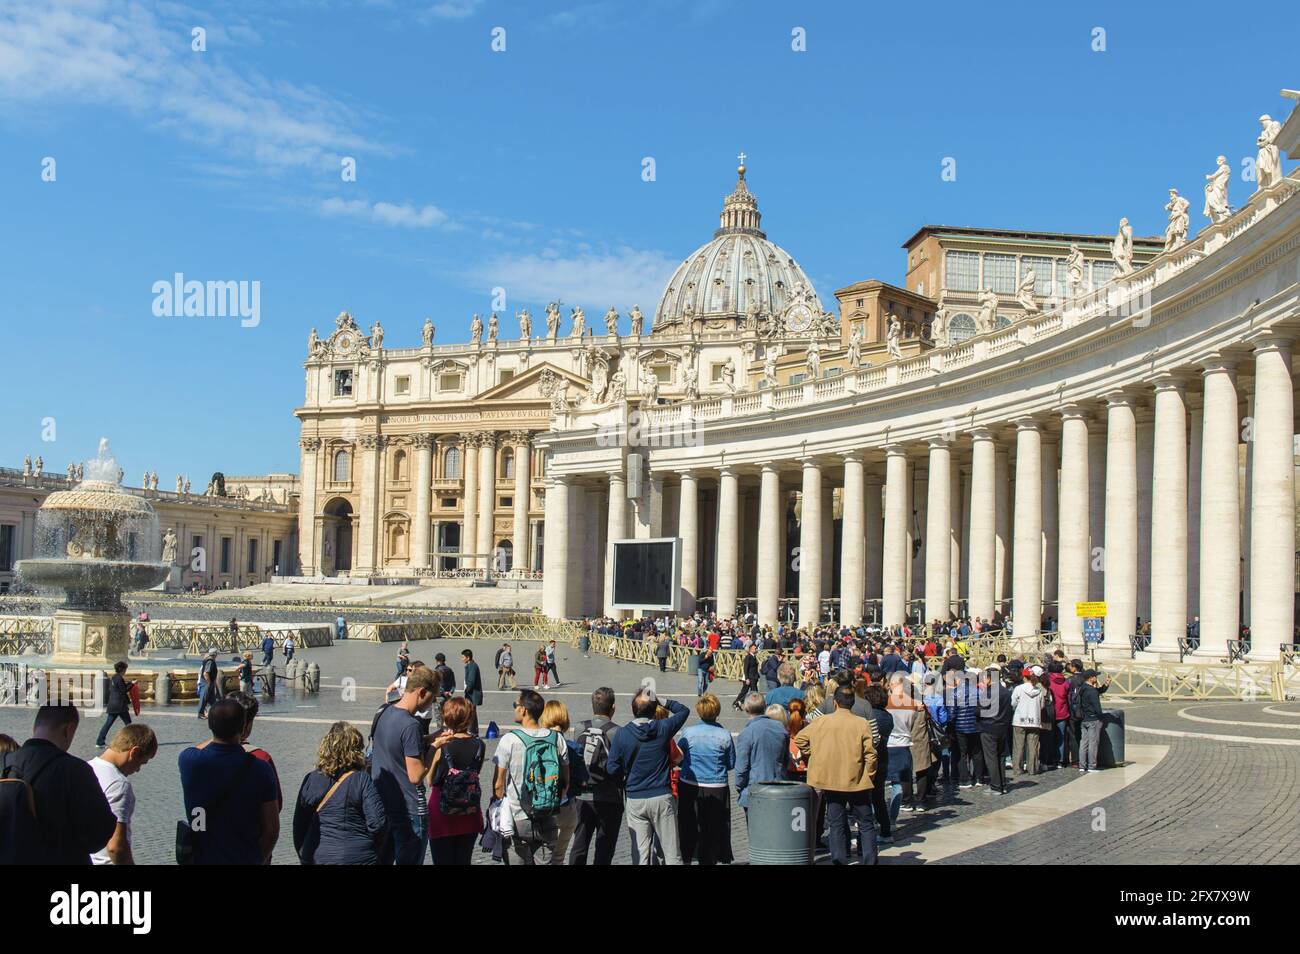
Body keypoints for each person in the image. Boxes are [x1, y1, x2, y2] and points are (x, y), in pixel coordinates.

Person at [1, 705, 116, 865]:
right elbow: (97, 835)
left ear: (35, 726)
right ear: (68, 729)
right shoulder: (75, 770)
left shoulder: (4, 763)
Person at [179, 699, 280, 864]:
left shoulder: (188, 761)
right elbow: (272, 831)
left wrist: (217, 727)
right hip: (243, 856)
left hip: (203, 858)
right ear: (244, 728)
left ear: (210, 727)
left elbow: (199, 747)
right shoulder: (260, 769)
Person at [793, 684, 878, 865]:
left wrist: (814, 754)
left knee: (836, 824)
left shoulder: (821, 721)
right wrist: (869, 774)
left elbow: (800, 739)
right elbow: (871, 754)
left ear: (834, 702)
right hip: (857, 780)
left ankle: (839, 860)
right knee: (866, 824)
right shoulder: (861, 724)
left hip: (830, 780)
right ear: (852, 703)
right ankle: (870, 860)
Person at [606, 688, 690, 865]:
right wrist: (660, 699)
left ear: (633, 710)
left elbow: (612, 767)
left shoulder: (622, 734)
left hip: (635, 798)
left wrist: (625, 780)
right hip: (661, 796)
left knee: (640, 854)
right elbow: (684, 710)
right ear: (654, 710)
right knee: (672, 853)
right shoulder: (663, 728)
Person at [293, 721, 387, 864]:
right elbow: (378, 823)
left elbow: (299, 825)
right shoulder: (361, 779)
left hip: (317, 856)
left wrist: (304, 853)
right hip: (356, 856)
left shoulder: (311, 779)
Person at [370, 665, 437, 864]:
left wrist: (427, 738)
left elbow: (395, 744)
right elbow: (415, 776)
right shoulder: (411, 724)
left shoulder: (384, 711)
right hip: (409, 809)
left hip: (382, 802)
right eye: (432, 697)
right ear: (422, 692)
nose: (432, 702)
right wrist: (434, 747)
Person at [493, 689, 569, 864]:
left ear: (523, 710)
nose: (514, 709)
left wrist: (498, 810)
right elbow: (565, 781)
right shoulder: (556, 738)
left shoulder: (510, 739)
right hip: (548, 816)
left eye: (515, 705)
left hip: (518, 816)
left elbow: (498, 784)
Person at [676, 693, 736, 865]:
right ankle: (710, 859)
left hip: (690, 783)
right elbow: (731, 763)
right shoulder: (724, 735)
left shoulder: (688, 732)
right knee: (714, 828)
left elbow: (679, 757)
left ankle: (687, 858)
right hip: (716, 786)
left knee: (688, 825)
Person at [425, 698, 484, 865]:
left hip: (442, 812)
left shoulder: (443, 745)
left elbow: (431, 780)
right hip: (469, 810)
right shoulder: (480, 745)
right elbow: (475, 773)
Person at [570, 687, 622, 865]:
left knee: (579, 844)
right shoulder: (617, 732)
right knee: (605, 847)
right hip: (609, 796)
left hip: (582, 796)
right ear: (613, 707)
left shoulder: (579, 728)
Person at [539, 699, 580, 864]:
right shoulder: (572, 747)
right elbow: (581, 780)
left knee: (540, 857)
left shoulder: (537, 744)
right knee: (558, 858)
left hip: (542, 809)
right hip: (566, 809)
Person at [734, 691, 788, 811]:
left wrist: (740, 787)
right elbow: (785, 760)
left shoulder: (747, 733)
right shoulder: (780, 728)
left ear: (747, 708)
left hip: (755, 788)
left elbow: (741, 767)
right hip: (778, 786)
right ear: (764, 707)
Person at [977, 670, 1014, 795]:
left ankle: (996, 786)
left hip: (989, 727)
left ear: (989, 678)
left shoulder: (987, 692)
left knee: (991, 758)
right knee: (1001, 757)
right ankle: (1002, 784)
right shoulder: (1006, 692)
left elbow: (979, 710)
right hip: (1002, 727)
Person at [1011, 669, 1044, 776]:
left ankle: (1017, 768)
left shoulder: (1018, 689)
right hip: (1034, 720)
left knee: (1018, 746)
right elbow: (1042, 705)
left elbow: (1013, 703)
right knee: (1032, 746)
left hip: (1020, 720)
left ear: (1024, 677)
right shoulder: (1038, 690)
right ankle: (1032, 768)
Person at [95, 660, 136, 747]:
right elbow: (124, 690)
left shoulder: (113, 677)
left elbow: (115, 689)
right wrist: (132, 683)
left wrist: (128, 683)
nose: (125, 671)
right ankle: (133, 741)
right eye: (125, 669)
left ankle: (99, 742)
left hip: (112, 705)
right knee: (128, 724)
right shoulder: (119, 678)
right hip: (120, 706)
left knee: (108, 724)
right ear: (122, 669)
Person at [1078, 670, 1110, 772]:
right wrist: (1100, 716)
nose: (1097, 678)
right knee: (1093, 744)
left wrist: (1106, 684)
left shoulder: (1083, 688)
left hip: (1084, 719)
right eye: (1095, 676)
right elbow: (1097, 708)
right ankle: (1092, 766)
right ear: (1091, 678)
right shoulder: (1091, 691)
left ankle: (1082, 766)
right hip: (1093, 720)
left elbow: (1098, 691)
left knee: (1083, 743)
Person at [732, 643, 760, 710]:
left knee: (747, 691)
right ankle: (738, 702)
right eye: (754, 648)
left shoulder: (754, 656)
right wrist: (747, 678)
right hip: (750, 677)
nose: (756, 649)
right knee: (752, 692)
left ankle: (737, 702)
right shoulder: (748, 657)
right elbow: (745, 668)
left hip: (754, 677)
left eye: (756, 648)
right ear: (751, 649)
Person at [196, 648, 220, 719]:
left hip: (209, 682)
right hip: (206, 682)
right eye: (217, 653)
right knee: (204, 698)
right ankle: (200, 713)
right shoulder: (210, 661)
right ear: (215, 654)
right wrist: (209, 682)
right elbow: (205, 673)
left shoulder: (208, 659)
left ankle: (216, 712)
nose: (217, 655)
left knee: (212, 699)